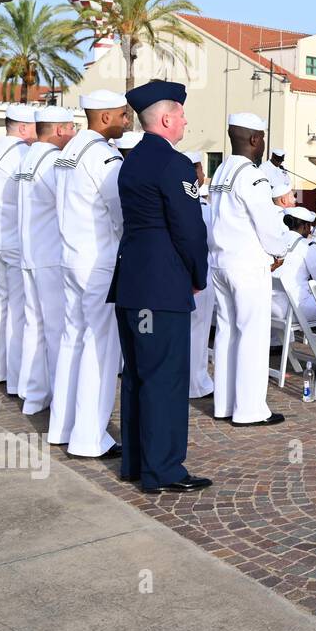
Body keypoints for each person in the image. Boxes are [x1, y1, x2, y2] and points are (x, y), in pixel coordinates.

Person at [109, 82, 212, 494]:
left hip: (132, 282)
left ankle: (137, 462)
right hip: (161, 287)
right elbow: (189, 230)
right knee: (165, 379)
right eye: (182, 114)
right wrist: (197, 276)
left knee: (137, 376)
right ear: (167, 119)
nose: (186, 120)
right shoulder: (174, 164)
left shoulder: (130, 162)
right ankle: (164, 470)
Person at [48, 91, 131, 458]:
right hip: (98, 260)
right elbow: (119, 210)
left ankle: (62, 427)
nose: (126, 121)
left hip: (70, 256)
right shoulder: (103, 155)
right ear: (104, 118)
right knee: (101, 348)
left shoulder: (69, 150)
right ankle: (89, 438)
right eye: (122, 116)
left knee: (72, 341)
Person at [208, 112, 296, 426]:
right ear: (255, 139)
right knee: (252, 335)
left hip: (220, 263)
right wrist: (281, 250)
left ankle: (225, 404)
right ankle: (250, 410)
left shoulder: (220, 171)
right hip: (246, 266)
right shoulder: (252, 175)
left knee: (227, 332)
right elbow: (268, 226)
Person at [16, 107, 76, 416]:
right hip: (50, 255)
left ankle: (33, 394)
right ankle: (56, 398)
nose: (74, 134)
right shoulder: (52, 160)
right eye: (72, 128)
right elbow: (67, 202)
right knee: (55, 331)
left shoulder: (27, 156)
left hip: (30, 253)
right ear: (60, 129)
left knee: (34, 326)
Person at [0, 104, 36, 393]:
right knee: (18, 310)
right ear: (24, 128)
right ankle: (15, 379)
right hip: (16, 239)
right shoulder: (22, 153)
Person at [185, 152, 216, 399]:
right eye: (201, 169)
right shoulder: (203, 207)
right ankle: (196, 383)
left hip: (177, 272)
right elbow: (212, 241)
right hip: (199, 272)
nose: (204, 175)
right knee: (198, 329)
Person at [272, 206, 316, 327]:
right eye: (309, 226)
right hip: (294, 308)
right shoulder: (307, 245)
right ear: (305, 226)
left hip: (272, 305)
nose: (310, 231)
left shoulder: (276, 241)